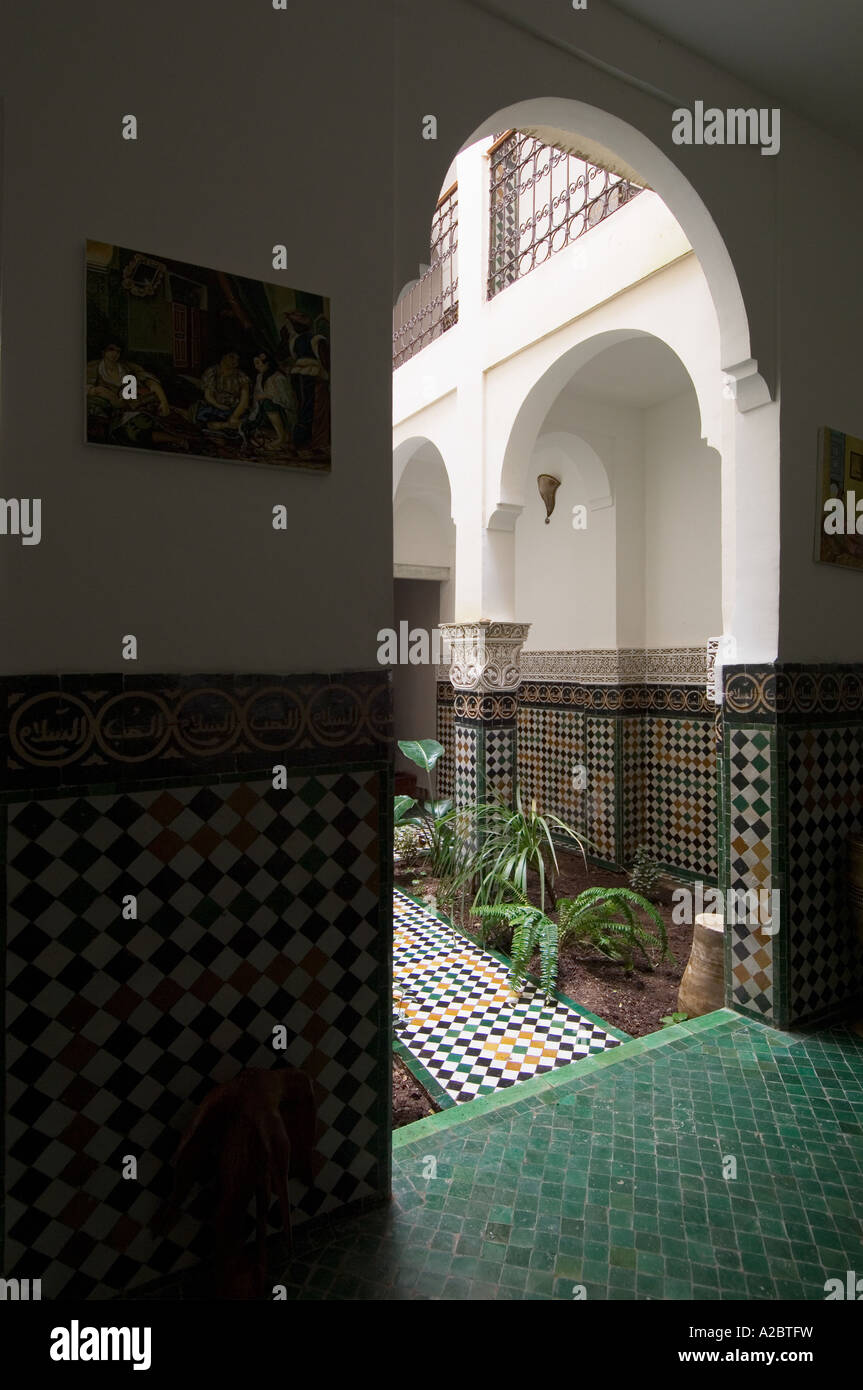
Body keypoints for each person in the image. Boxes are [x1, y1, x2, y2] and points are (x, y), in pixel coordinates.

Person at [86, 342, 182, 448]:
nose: (115, 354)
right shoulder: (93, 368)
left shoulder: (127, 367)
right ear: (103, 351)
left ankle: (178, 439)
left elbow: (150, 382)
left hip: (138, 405)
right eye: (111, 349)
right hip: (116, 414)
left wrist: (164, 402)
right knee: (133, 431)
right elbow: (86, 388)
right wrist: (103, 393)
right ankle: (175, 440)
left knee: (163, 419)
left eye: (118, 351)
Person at [247, 349, 297, 450]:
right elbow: (257, 395)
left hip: (283, 412)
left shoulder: (279, 378)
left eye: (258, 363)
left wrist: (267, 396)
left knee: (268, 403)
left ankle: (281, 436)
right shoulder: (260, 377)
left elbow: (289, 401)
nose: (256, 366)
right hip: (264, 411)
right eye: (255, 363)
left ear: (268, 363)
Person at [196, 351, 250, 432]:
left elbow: (244, 401)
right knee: (204, 417)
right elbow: (208, 395)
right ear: (223, 357)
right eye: (231, 357)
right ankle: (226, 426)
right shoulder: (212, 372)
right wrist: (219, 406)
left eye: (237, 359)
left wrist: (234, 416)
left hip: (235, 409)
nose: (235, 361)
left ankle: (227, 425)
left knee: (245, 419)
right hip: (215, 407)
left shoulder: (241, 376)